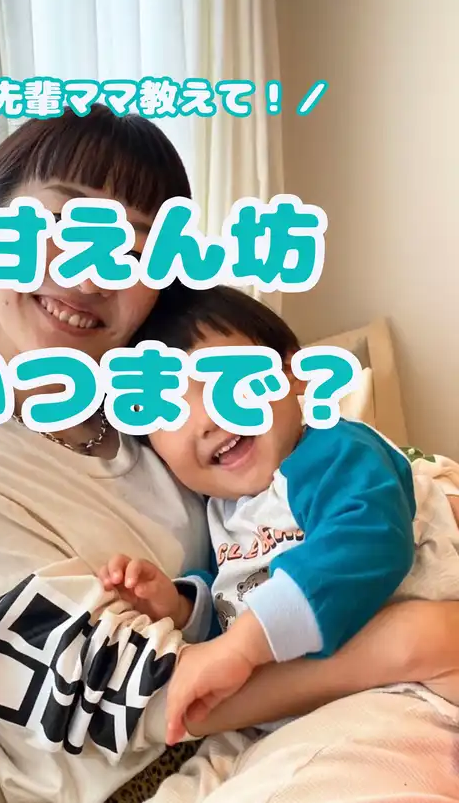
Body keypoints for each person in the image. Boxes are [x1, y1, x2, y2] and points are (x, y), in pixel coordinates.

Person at [0, 106, 459, 803]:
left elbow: (320, 512)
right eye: (67, 221)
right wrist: (414, 641)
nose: (90, 273)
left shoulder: (169, 433)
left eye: (137, 251)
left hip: (331, 723)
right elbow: (122, 699)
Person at [100, 285, 459, 745]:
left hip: (424, 682)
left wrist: (242, 645)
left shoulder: (333, 451)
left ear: (293, 374)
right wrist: (183, 607)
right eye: (169, 412)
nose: (207, 419)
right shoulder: (224, 513)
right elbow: (240, 601)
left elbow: (367, 543)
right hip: (329, 706)